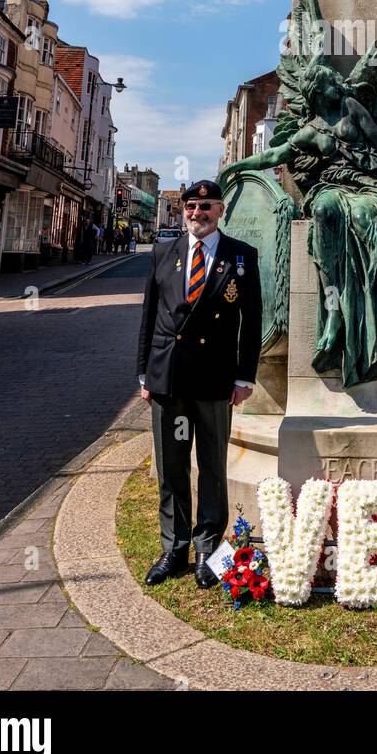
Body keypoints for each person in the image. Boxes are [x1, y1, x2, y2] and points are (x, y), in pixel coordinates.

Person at [137, 180, 262, 589]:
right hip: (168, 377)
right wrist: (144, 373)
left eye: (205, 206)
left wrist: (245, 377)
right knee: (171, 467)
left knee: (211, 465)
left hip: (214, 379)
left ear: (220, 210)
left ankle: (207, 546)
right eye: (191, 206)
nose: (197, 213)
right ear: (183, 210)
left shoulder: (240, 257)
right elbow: (149, 316)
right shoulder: (164, 252)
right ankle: (173, 548)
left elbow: (252, 322)